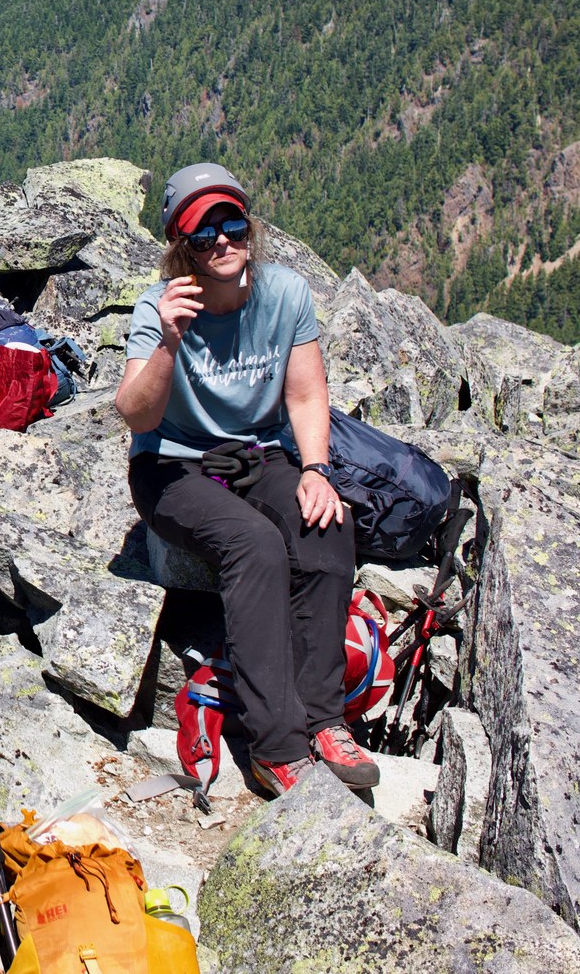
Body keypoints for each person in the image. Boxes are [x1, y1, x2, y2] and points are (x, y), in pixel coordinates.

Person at [113, 164, 374, 798]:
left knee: (327, 525)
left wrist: (316, 471)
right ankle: (275, 747)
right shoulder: (161, 307)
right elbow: (135, 412)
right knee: (254, 546)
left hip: (258, 455)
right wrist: (171, 342)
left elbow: (308, 395)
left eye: (233, 223)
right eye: (203, 234)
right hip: (171, 465)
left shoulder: (284, 293)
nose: (222, 240)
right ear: (181, 246)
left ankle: (324, 720)